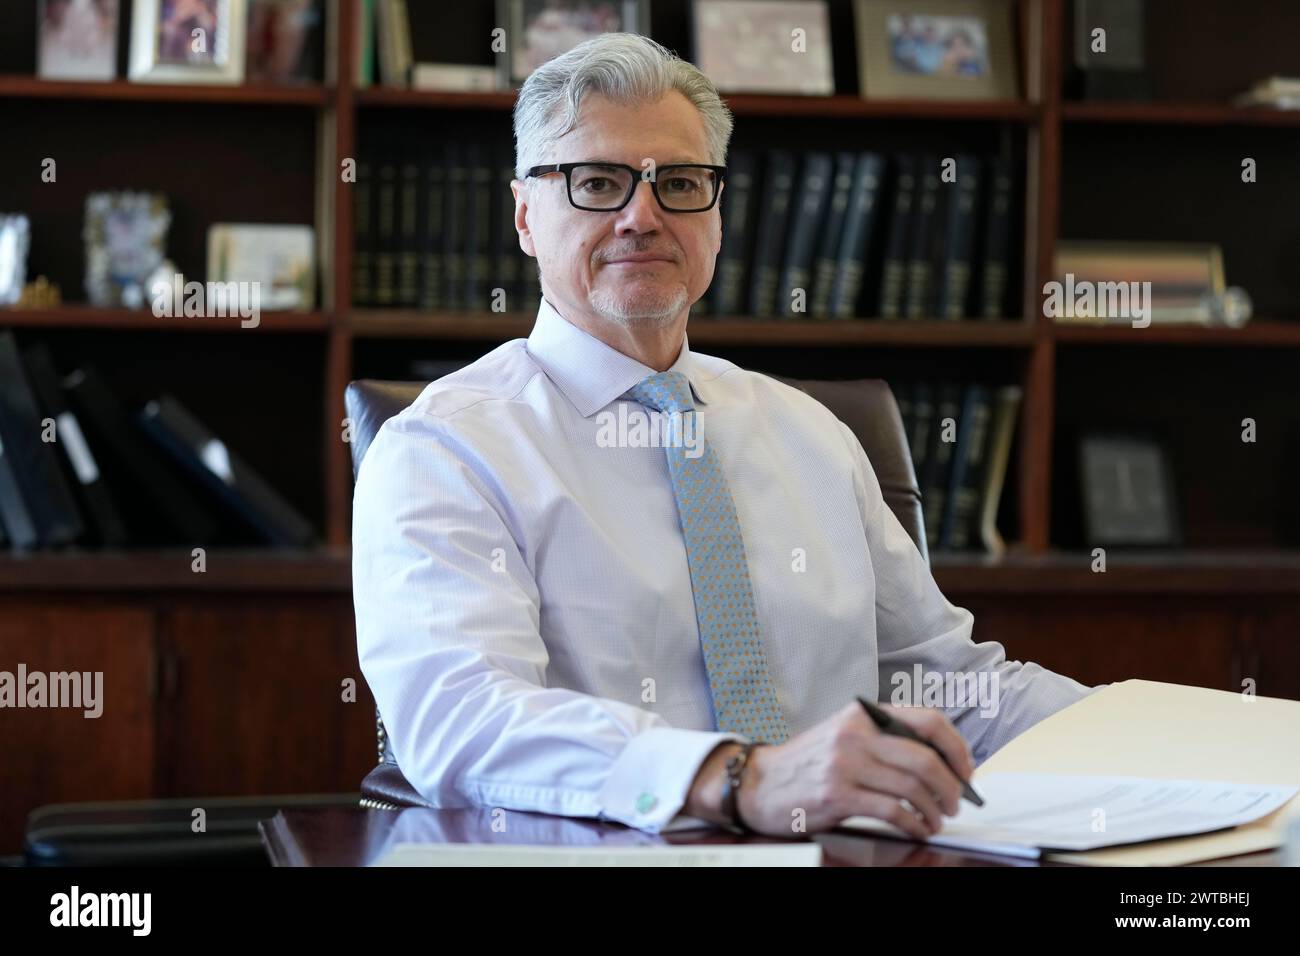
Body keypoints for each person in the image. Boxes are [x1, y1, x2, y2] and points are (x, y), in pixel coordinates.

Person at [352, 33, 1096, 840]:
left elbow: (951, 686)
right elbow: (461, 720)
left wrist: (1183, 738)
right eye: (596, 182)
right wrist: (738, 778)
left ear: (715, 213)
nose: (642, 216)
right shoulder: (444, 450)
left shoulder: (811, 433)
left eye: (678, 183)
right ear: (528, 216)